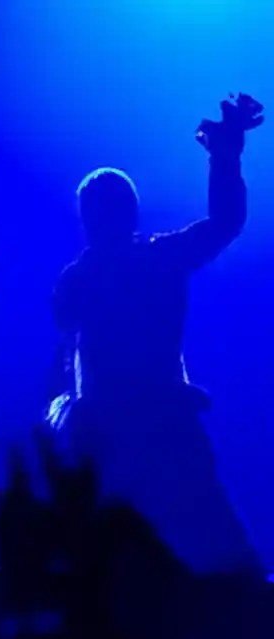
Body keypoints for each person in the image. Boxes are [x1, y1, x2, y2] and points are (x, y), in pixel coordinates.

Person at [48, 94, 264, 574]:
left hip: (121, 439)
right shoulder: (147, 262)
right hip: (151, 434)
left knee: (118, 568)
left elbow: (65, 332)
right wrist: (225, 158)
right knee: (213, 560)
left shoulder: (87, 276)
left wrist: (226, 158)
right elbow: (225, 223)